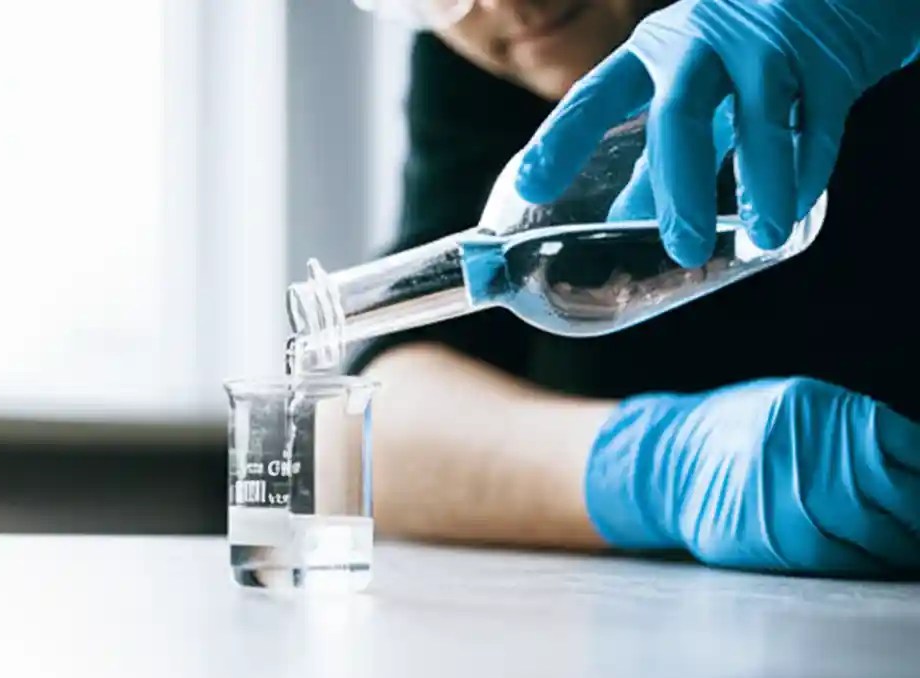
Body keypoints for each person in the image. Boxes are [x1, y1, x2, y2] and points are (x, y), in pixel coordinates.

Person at [348, 0, 920, 577]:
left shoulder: (837, 21)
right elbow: (374, 429)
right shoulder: (480, 58)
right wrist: (658, 467)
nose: (503, 4)